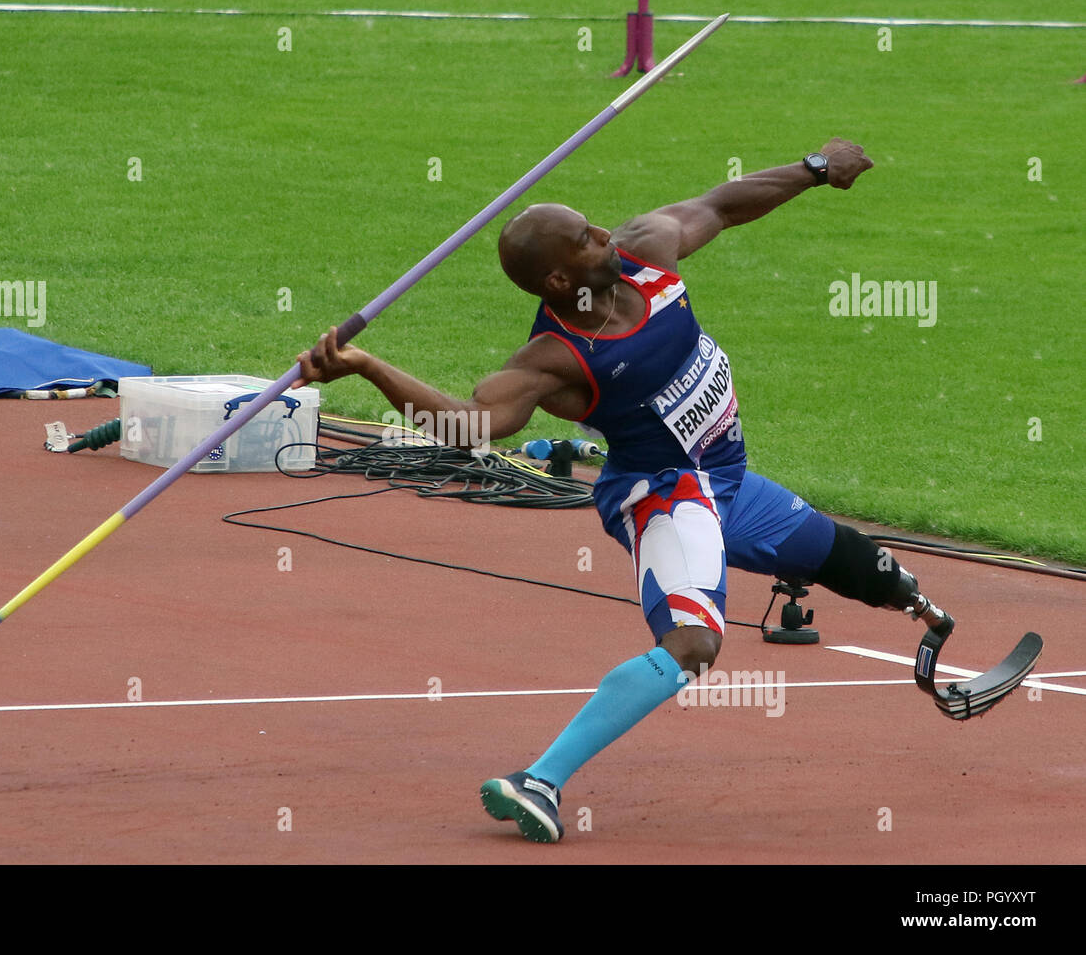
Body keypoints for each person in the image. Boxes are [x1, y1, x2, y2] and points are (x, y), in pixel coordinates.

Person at [295, 138, 954, 843]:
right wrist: (365, 366)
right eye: (584, 239)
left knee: (839, 553)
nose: (604, 235)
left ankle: (925, 612)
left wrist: (816, 171)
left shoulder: (645, 255)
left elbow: (720, 207)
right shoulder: (554, 360)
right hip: (664, 494)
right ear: (555, 281)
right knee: (696, 644)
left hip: (726, 479)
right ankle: (537, 782)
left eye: (593, 225)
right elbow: (471, 427)